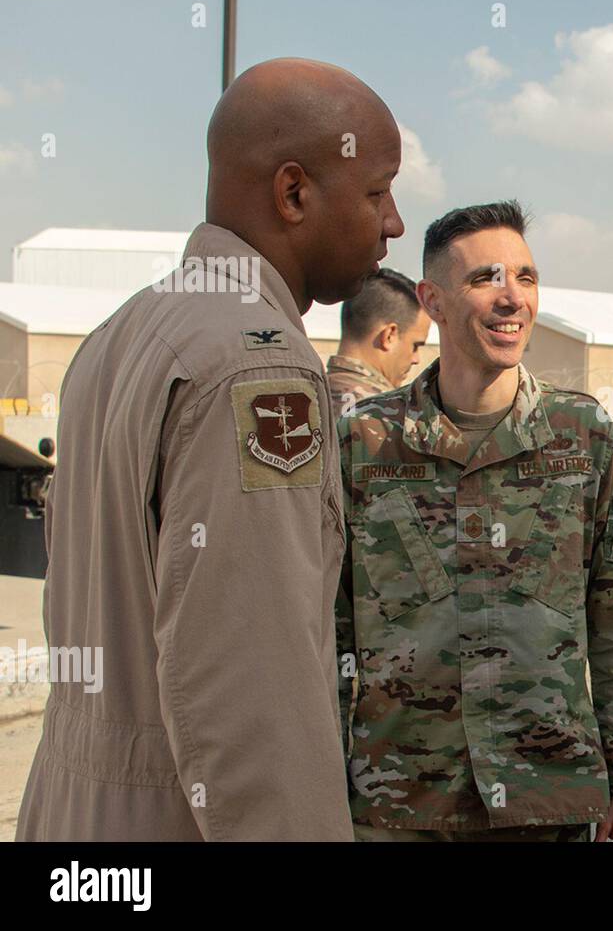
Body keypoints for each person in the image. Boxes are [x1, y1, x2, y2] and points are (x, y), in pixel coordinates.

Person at [16, 58, 405, 841]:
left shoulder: (123, 332)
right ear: (293, 194)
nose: (393, 222)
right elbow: (253, 694)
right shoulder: (257, 365)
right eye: (376, 192)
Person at [336, 200, 613, 841]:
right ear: (432, 301)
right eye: (485, 278)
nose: (512, 297)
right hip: (399, 809)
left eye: (526, 277)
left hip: (548, 805)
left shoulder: (584, 436)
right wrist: (319, 786)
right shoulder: (366, 441)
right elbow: (329, 629)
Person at [327, 267, 431, 411]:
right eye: (415, 346)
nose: (416, 359)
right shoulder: (386, 411)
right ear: (389, 336)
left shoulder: (310, 395)